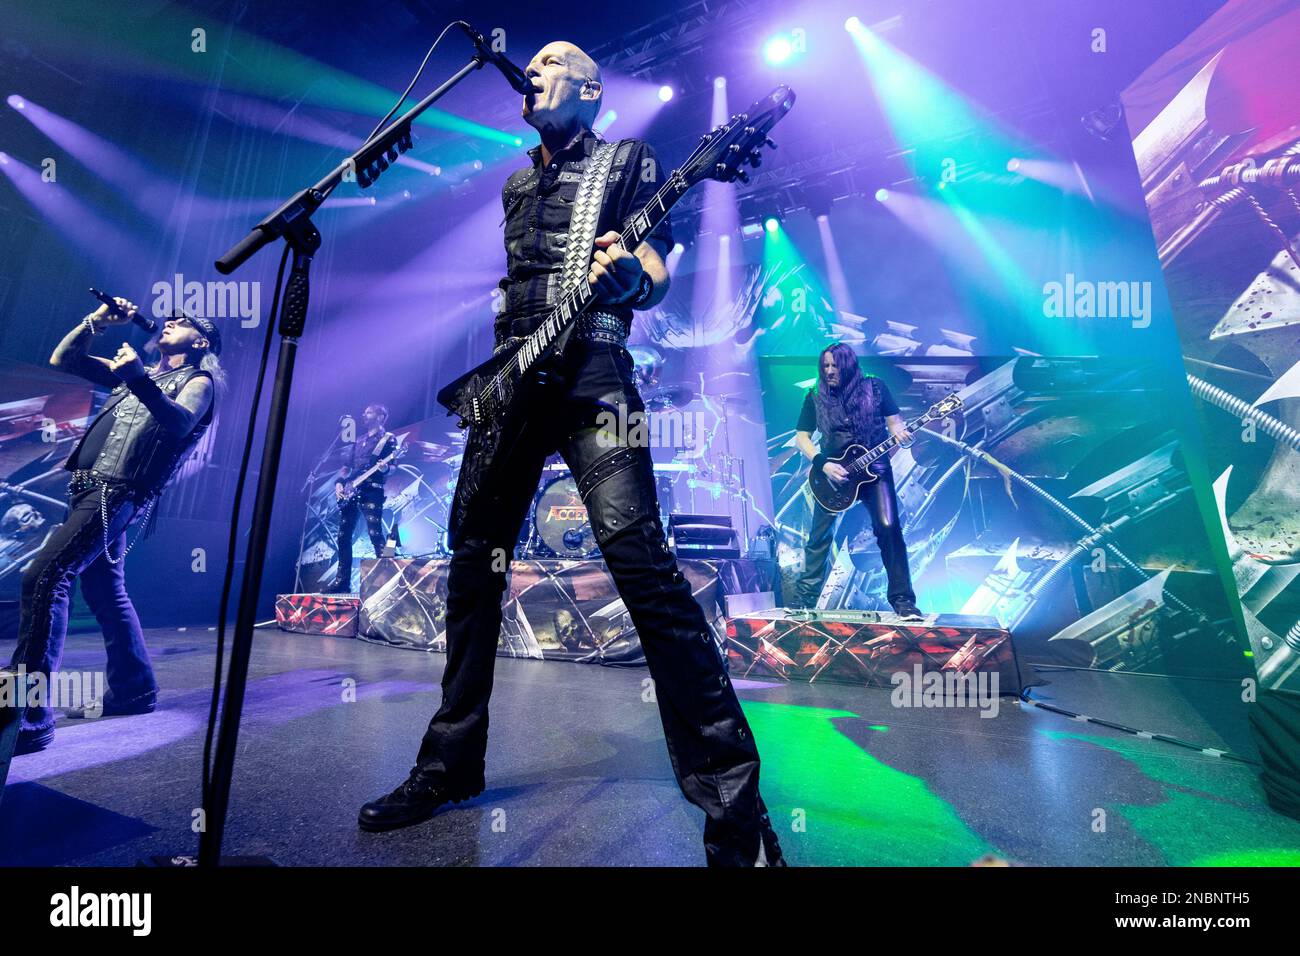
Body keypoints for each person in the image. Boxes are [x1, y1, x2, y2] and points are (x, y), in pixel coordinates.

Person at [358, 40, 784, 866]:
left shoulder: (627, 161)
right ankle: (449, 766)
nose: (536, 67)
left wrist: (635, 284)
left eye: (554, 60)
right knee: (472, 564)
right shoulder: (516, 186)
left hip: (594, 373)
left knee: (642, 565)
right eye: (536, 61)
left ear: (590, 91)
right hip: (514, 377)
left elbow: (653, 265)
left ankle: (736, 812)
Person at [4, 298, 221, 755]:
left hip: (116, 492)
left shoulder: (197, 381)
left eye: (184, 322)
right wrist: (98, 321)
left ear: (201, 341)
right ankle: (134, 689)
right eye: (170, 318)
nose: (171, 322)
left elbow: (180, 423)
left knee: (44, 577)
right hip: (88, 490)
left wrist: (138, 378)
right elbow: (64, 359)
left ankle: (27, 715)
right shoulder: (135, 374)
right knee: (105, 590)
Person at [793, 342, 922, 618]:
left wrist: (902, 435)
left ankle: (903, 601)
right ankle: (804, 601)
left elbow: (895, 423)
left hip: (875, 468)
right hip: (833, 472)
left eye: (835, 366)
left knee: (889, 528)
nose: (829, 371)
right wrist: (823, 464)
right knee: (819, 536)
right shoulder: (814, 395)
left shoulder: (876, 388)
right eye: (825, 366)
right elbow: (802, 437)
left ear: (848, 366)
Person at [327, 403, 399, 593]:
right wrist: (339, 483)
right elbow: (346, 468)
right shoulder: (358, 441)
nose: (364, 415)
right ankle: (342, 582)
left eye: (369, 412)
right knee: (343, 536)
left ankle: (387, 581)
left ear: (380, 416)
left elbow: (393, 467)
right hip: (351, 491)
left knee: (375, 533)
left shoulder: (388, 439)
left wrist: (385, 468)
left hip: (372, 491)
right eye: (365, 412)